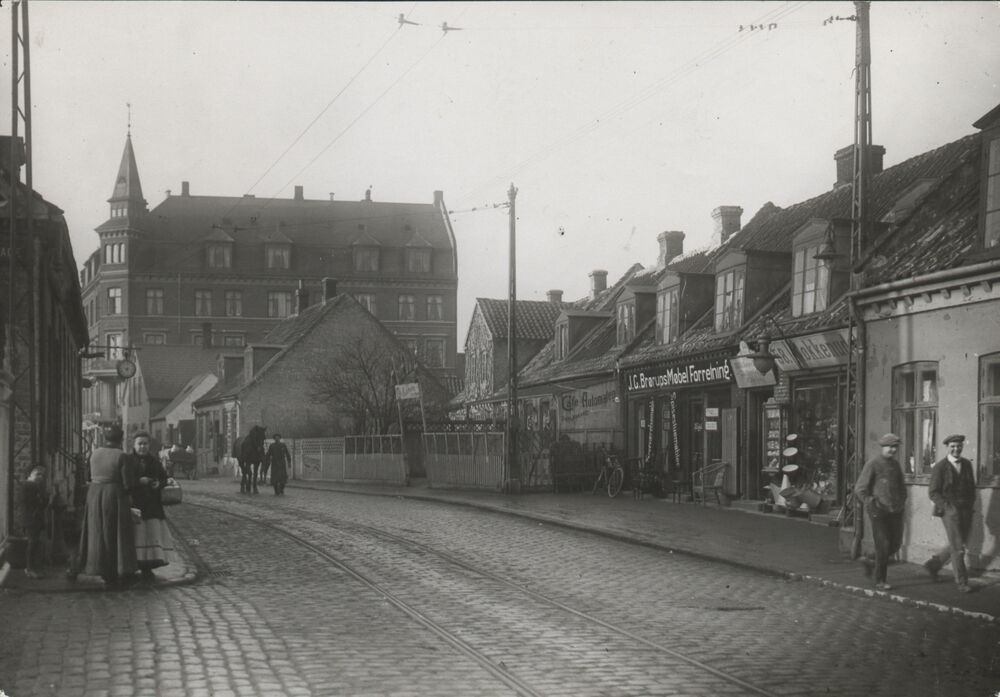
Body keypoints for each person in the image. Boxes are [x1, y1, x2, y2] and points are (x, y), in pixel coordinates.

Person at [70, 424, 138, 586]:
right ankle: (115, 570)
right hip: (114, 495)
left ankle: (94, 566)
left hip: (94, 494)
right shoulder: (122, 456)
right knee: (115, 531)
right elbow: (128, 484)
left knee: (95, 531)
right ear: (120, 439)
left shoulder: (94, 454)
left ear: (105, 439)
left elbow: (87, 475)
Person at [923, 434, 976, 593]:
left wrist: (970, 504)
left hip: (966, 510)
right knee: (958, 547)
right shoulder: (940, 467)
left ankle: (933, 565)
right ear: (947, 447)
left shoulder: (966, 464)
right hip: (950, 511)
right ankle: (962, 582)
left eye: (959, 446)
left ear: (962, 446)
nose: (956, 449)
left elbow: (972, 488)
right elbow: (933, 492)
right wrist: (947, 507)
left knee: (957, 544)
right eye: (953, 446)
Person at [854, 432, 907, 591]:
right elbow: (860, 489)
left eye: (895, 447)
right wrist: (871, 503)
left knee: (895, 544)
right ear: (882, 447)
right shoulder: (873, 464)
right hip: (879, 512)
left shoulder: (895, 465)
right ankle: (880, 580)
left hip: (895, 511)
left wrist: (902, 500)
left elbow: (901, 487)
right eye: (889, 447)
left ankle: (870, 560)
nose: (892, 450)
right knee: (883, 545)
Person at [127, 430, 176, 582]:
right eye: (139, 444)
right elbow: (124, 481)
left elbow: (164, 478)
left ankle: (148, 568)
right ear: (134, 445)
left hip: (152, 505)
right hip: (135, 504)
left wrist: (158, 484)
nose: (143, 447)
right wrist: (138, 481)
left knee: (151, 535)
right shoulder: (128, 461)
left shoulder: (154, 461)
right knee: (137, 536)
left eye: (145, 444)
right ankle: (134, 566)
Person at [22, 465, 48, 579]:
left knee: (35, 542)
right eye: (37, 474)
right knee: (32, 543)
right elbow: (32, 503)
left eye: (42, 474)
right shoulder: (28, 485)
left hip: (35, 517)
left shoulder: (35, 486)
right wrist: (41, 499)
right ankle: (29, 568)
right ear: (30, 474)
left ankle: (33, 568)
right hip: (31, 518)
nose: (40, 477)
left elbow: (42, 503)